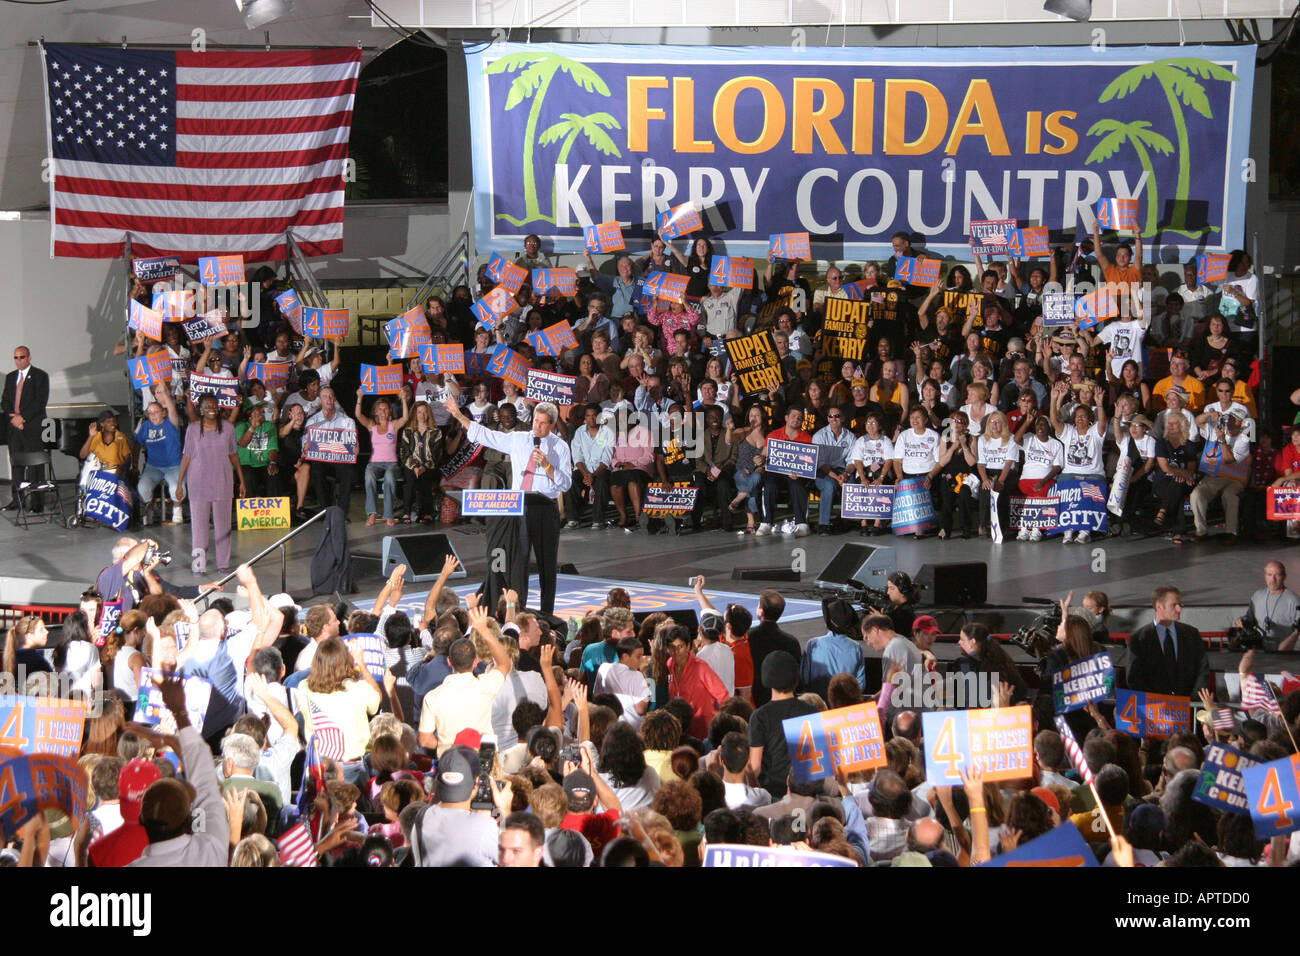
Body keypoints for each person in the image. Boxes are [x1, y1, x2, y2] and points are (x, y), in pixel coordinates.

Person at [445, 395, 571, 617]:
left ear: (551, 424)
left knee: (547, 565)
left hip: (545, 509)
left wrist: (548, 466)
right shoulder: (518, 438)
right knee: (518, 562)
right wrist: (457, 415)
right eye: (535, 421)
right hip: (519, 509)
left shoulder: (560, 447)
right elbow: (486, 436)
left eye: (542, 423)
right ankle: (517, 611)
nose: (537, 426)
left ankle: (547, 614)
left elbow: (566, 483)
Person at [129, 672, 229, 866]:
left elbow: (205, 783)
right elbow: (205, 782)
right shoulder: (210, 851)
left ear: (141, 819)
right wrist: (179, 711)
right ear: (188, 819)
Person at [418, 606, 512, 756]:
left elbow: (424, 740)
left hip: (449, 763)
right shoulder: (485, 686)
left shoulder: (433, 697)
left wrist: (446, 746)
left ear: (449, 662)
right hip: (484, 762)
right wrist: (484, 631)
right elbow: (504, 663)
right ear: (475, 662)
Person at [176, 394, 244, 574]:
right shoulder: (192, 429)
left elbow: (233, 455)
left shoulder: (228, 428)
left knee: (223, 527)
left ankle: (223, 565)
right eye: (207, 406)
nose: (211, 409)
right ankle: (199, 565)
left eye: (214, 406)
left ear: (219, 408)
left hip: (223, 482)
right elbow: (186, 456)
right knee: (199, 528)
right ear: (201, 410)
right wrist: (179, 484)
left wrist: (242, 480)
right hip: (198, 483)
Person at [414, 745, 511, 867]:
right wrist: (504, 811)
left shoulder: (421, 817)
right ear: (476, 782)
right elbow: (514, 861)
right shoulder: (484, 827)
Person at [747, 651, 817, 800]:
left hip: (773, 795)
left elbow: (755, 767)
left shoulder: (760, 717)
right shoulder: (811, 711)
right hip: (807, 793)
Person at [1125, 586, 1209, 698]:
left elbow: (1202, 668)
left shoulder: (1191, 634)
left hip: (1188, 705)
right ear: (1159, 606)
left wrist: (1192, 700)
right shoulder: (1139, 639)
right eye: (1174, 605)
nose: (1179, 609)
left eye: (1180, 605)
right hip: (1155, 707)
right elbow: (1134, 677)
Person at [2, 345, 49, 512]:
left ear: (29, 357)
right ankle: (17, 501)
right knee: (16, 465)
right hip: (14, 429)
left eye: (21, 357)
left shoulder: (40, 376)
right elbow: (5, 401)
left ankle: (37, 503)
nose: (18, 361)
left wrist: (23, 418)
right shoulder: (10, 377)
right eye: (16, 357)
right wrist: (14, 419)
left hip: (32, 428)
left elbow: (40, 401)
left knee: (35, 467)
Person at [664, 623, 728, 740]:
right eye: (672, 647)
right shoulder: (669, 665)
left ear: (688, 646)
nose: (676, 651)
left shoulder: (701, 667)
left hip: (701, 731)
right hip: (680, 730)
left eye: (680, 646)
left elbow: (723, 695)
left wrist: (721, 725)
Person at [356, 393, 410, 528]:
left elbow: (405, 418)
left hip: (391, 464)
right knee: (368, 473)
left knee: (390, 476)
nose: (383, 412)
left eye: (385, 409)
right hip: (375, 464)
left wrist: (403, 399)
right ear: (375, 411)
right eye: (380, 409)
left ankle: (388, 514)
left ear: (390, 411)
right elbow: (358, 415)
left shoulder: (394, 425)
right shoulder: (371, 425)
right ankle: (372, 512)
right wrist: (359, 397)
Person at [302, 387, 357, 520]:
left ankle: (342, 513)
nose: (329, 399)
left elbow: (353, 444)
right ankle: (326, 510)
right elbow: (305, 442)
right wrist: (305, 446)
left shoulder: (347, 421)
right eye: (325, 396)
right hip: (321, 460)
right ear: (320, 400)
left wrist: (356, 448)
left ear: (335, 399)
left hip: (340, 459)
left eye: (331, 396)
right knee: (316, 470)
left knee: (349, 472)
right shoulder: (313, 421)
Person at [134, 388, 185, 525]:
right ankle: (149, 508)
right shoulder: (145, 427)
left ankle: (177, 509)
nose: (153, 416)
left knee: (176, 488)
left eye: (156, 412)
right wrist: (134, 465)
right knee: (143, 487)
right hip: (153, 467)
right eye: (150, 413)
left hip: (173, 466)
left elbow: (172, 409)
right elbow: (137, 445)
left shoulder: (171, 423)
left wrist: (163, 390)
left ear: (163, 413)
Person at [800, 598, 866, 700]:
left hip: (818, 705)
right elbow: (860, 685)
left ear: (827, 622)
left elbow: (805, 680)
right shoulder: (856, 648)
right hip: (844, 707)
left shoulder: (813, 645)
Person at [1234, 562, 1300, 652]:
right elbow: (1249, 620)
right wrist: (1241, 621)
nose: (1273, 579)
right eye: (1269, 575)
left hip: (1284, 655)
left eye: (1277, 575)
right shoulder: (1257, 596)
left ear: (1284, 577)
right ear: (1265, 576)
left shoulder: (1294, 601)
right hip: (1259, 652)